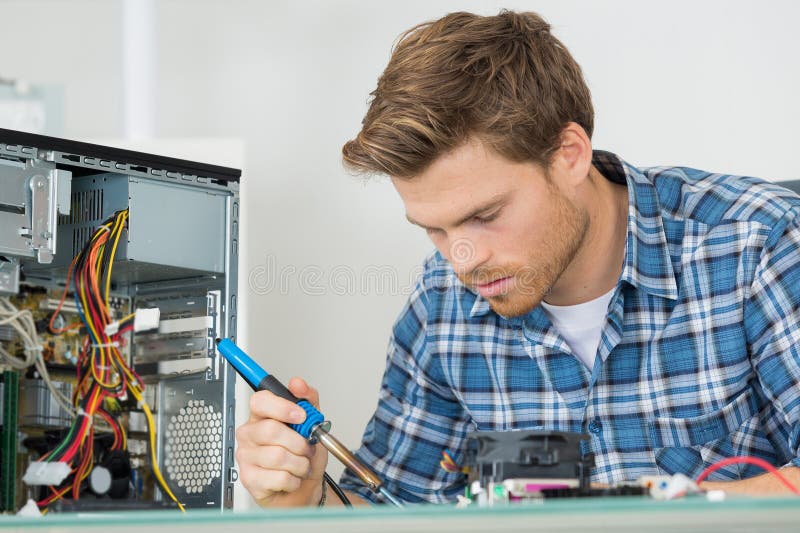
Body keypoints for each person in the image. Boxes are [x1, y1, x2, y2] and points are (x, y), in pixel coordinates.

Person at [235, 10, 800, 507]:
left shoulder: (756, 247)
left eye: (485, 215)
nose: (463, 259)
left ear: (569, 156)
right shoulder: (442, 306)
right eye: (434, 228)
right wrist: (307, 500)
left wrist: (657, 508)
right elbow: (394, 509)